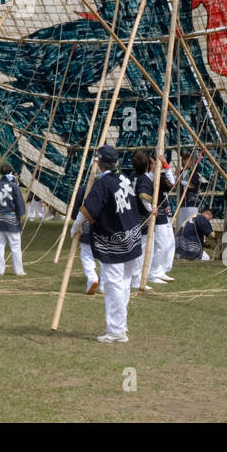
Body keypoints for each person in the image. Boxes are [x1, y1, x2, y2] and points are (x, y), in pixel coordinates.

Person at [80, 145, 143, 342]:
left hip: (114, 240)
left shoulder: (104, 183)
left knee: (113, 284)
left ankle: (116, 331)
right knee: (123, 283)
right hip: (131, 237)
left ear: (100, 163)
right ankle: (120, 326)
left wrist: (75, 227)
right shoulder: (123, 178)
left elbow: (89, 211)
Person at [137, 152, 177, 284]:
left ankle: (161, 270)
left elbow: (172, 184)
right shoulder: (147, 178)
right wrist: (151, 209)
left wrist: (166, 165)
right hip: (156, 215)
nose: (156, 166)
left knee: (168, 243)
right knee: (159, 245)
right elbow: (143, 195)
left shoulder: (158, 177)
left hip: (163, 214)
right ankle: (153, 273)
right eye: (154, 163)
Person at [0, 162, 26, 276]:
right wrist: (19, 216)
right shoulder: (14, 186)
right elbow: (19, 205)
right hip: (12, 220)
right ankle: (19, 271)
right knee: (15, 247)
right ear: (11, 173)